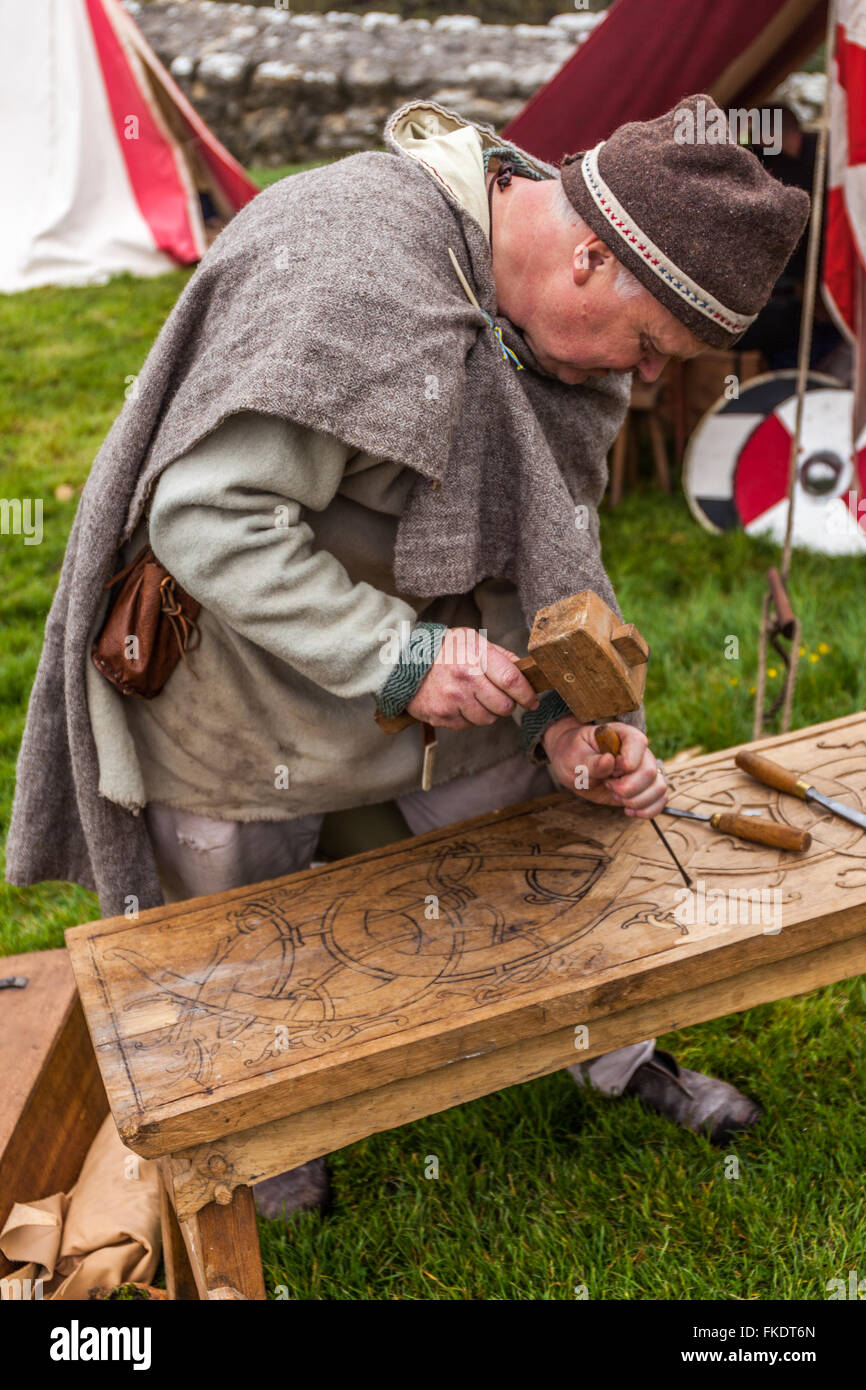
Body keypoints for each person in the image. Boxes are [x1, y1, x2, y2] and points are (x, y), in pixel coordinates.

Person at [6, 94, 809, 1221]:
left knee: (552, 841)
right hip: (240, 688)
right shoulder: (345, 266)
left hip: (445, 672)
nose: (623, 380)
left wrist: (564, 722)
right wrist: (396, 655)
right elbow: (205, 517)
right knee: (237, 943)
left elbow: (532, 529)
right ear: (586, 257)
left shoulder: (550, 331)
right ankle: (270, 1148)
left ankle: (621, 1054)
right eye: (643, 347)